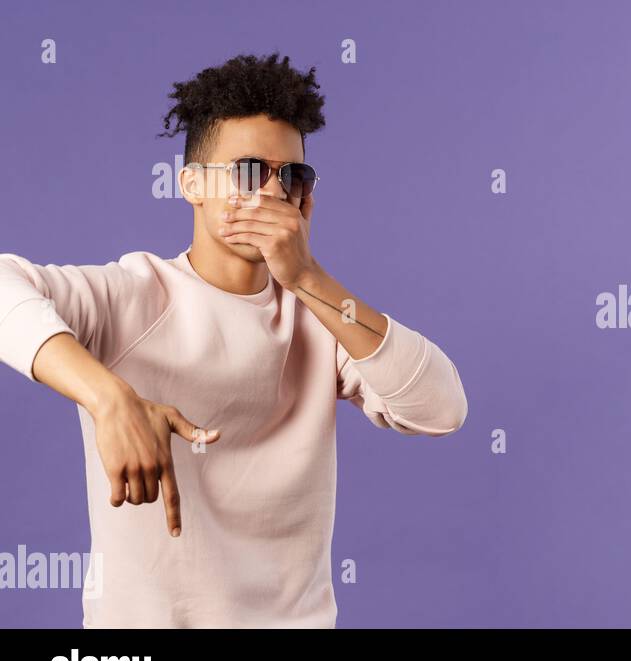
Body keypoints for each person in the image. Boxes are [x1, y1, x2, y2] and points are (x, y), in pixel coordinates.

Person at [0, 53, 468, 628]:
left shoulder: (320, 318)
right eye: (249, 171)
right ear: (191, 185)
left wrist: (306, 278)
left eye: (292, 177)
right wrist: (109, 399)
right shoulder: (135, 294)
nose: (272, 192)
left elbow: (441, 409)